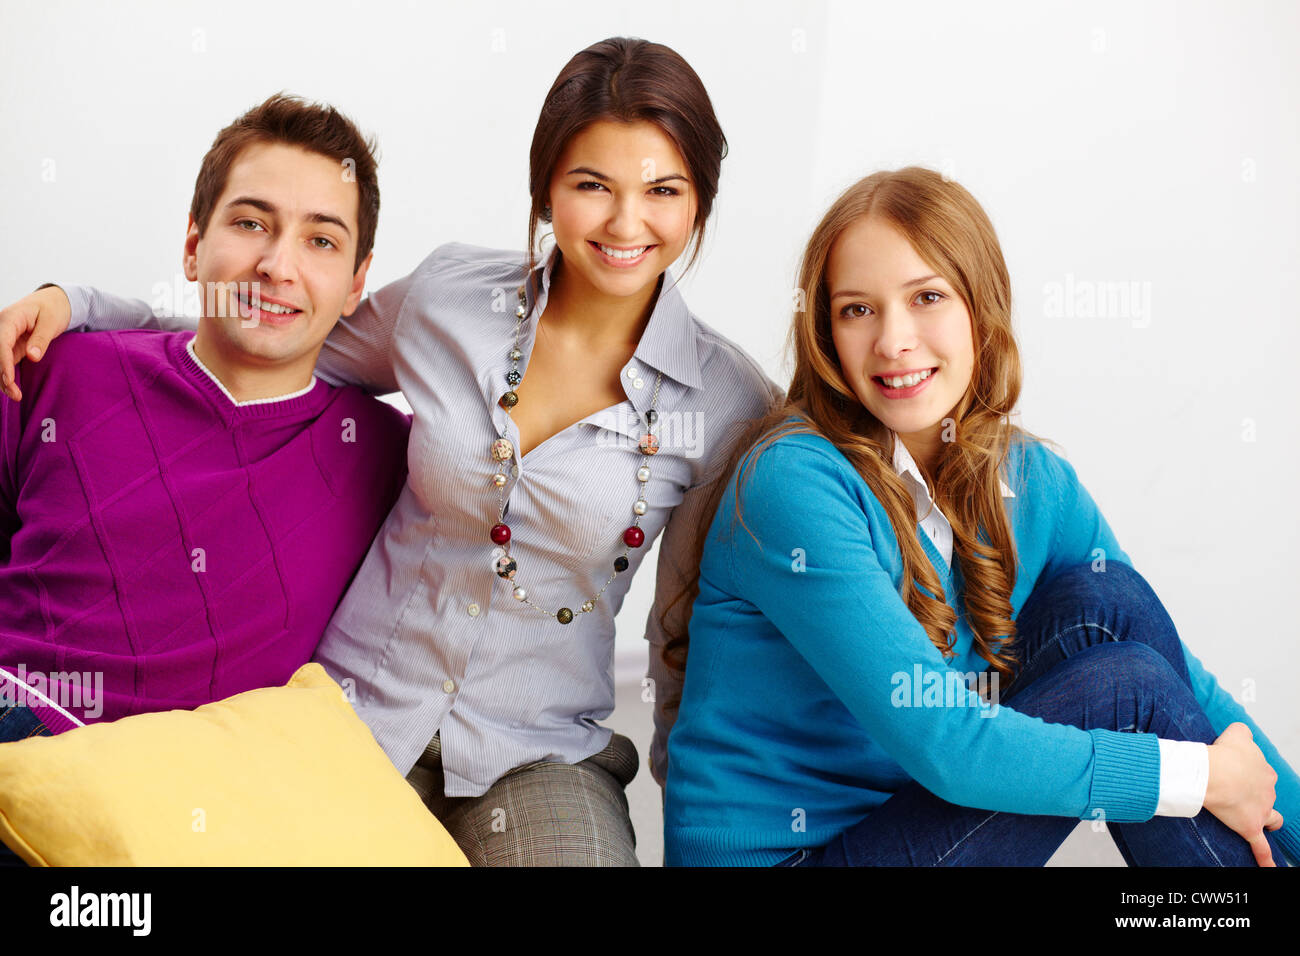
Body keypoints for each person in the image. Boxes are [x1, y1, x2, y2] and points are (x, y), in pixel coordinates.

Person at [0, 39, 781, 866]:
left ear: (699, 201)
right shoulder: (452, 299)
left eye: (664, 191)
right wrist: (76, 305)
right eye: (593, 186)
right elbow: (277, 337)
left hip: (537, 746)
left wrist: (698, 819)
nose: (627, 224)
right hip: (346, 713)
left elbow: (686, 629)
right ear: (547, 189)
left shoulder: (725, 401)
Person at [659, 167, 1299, 867]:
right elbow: (948, 744)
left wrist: (1266, 795)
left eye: (926, 297)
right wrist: (1197, 777)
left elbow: (1185, 680)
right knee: (1130, 693)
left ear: (979, 307)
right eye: (857, 309)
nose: (893, 341)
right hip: (795, 858)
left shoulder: (1030, 479)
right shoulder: (795, 483)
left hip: (910, 827)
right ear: (825, 332)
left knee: (1109, 602)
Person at [0, 95, 410, 870]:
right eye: (251, 223)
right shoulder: (53, 370)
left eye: (321, 240)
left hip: (171, 810)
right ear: (193, 247)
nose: (278, 265)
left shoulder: (389, 457)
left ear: (357, 286)